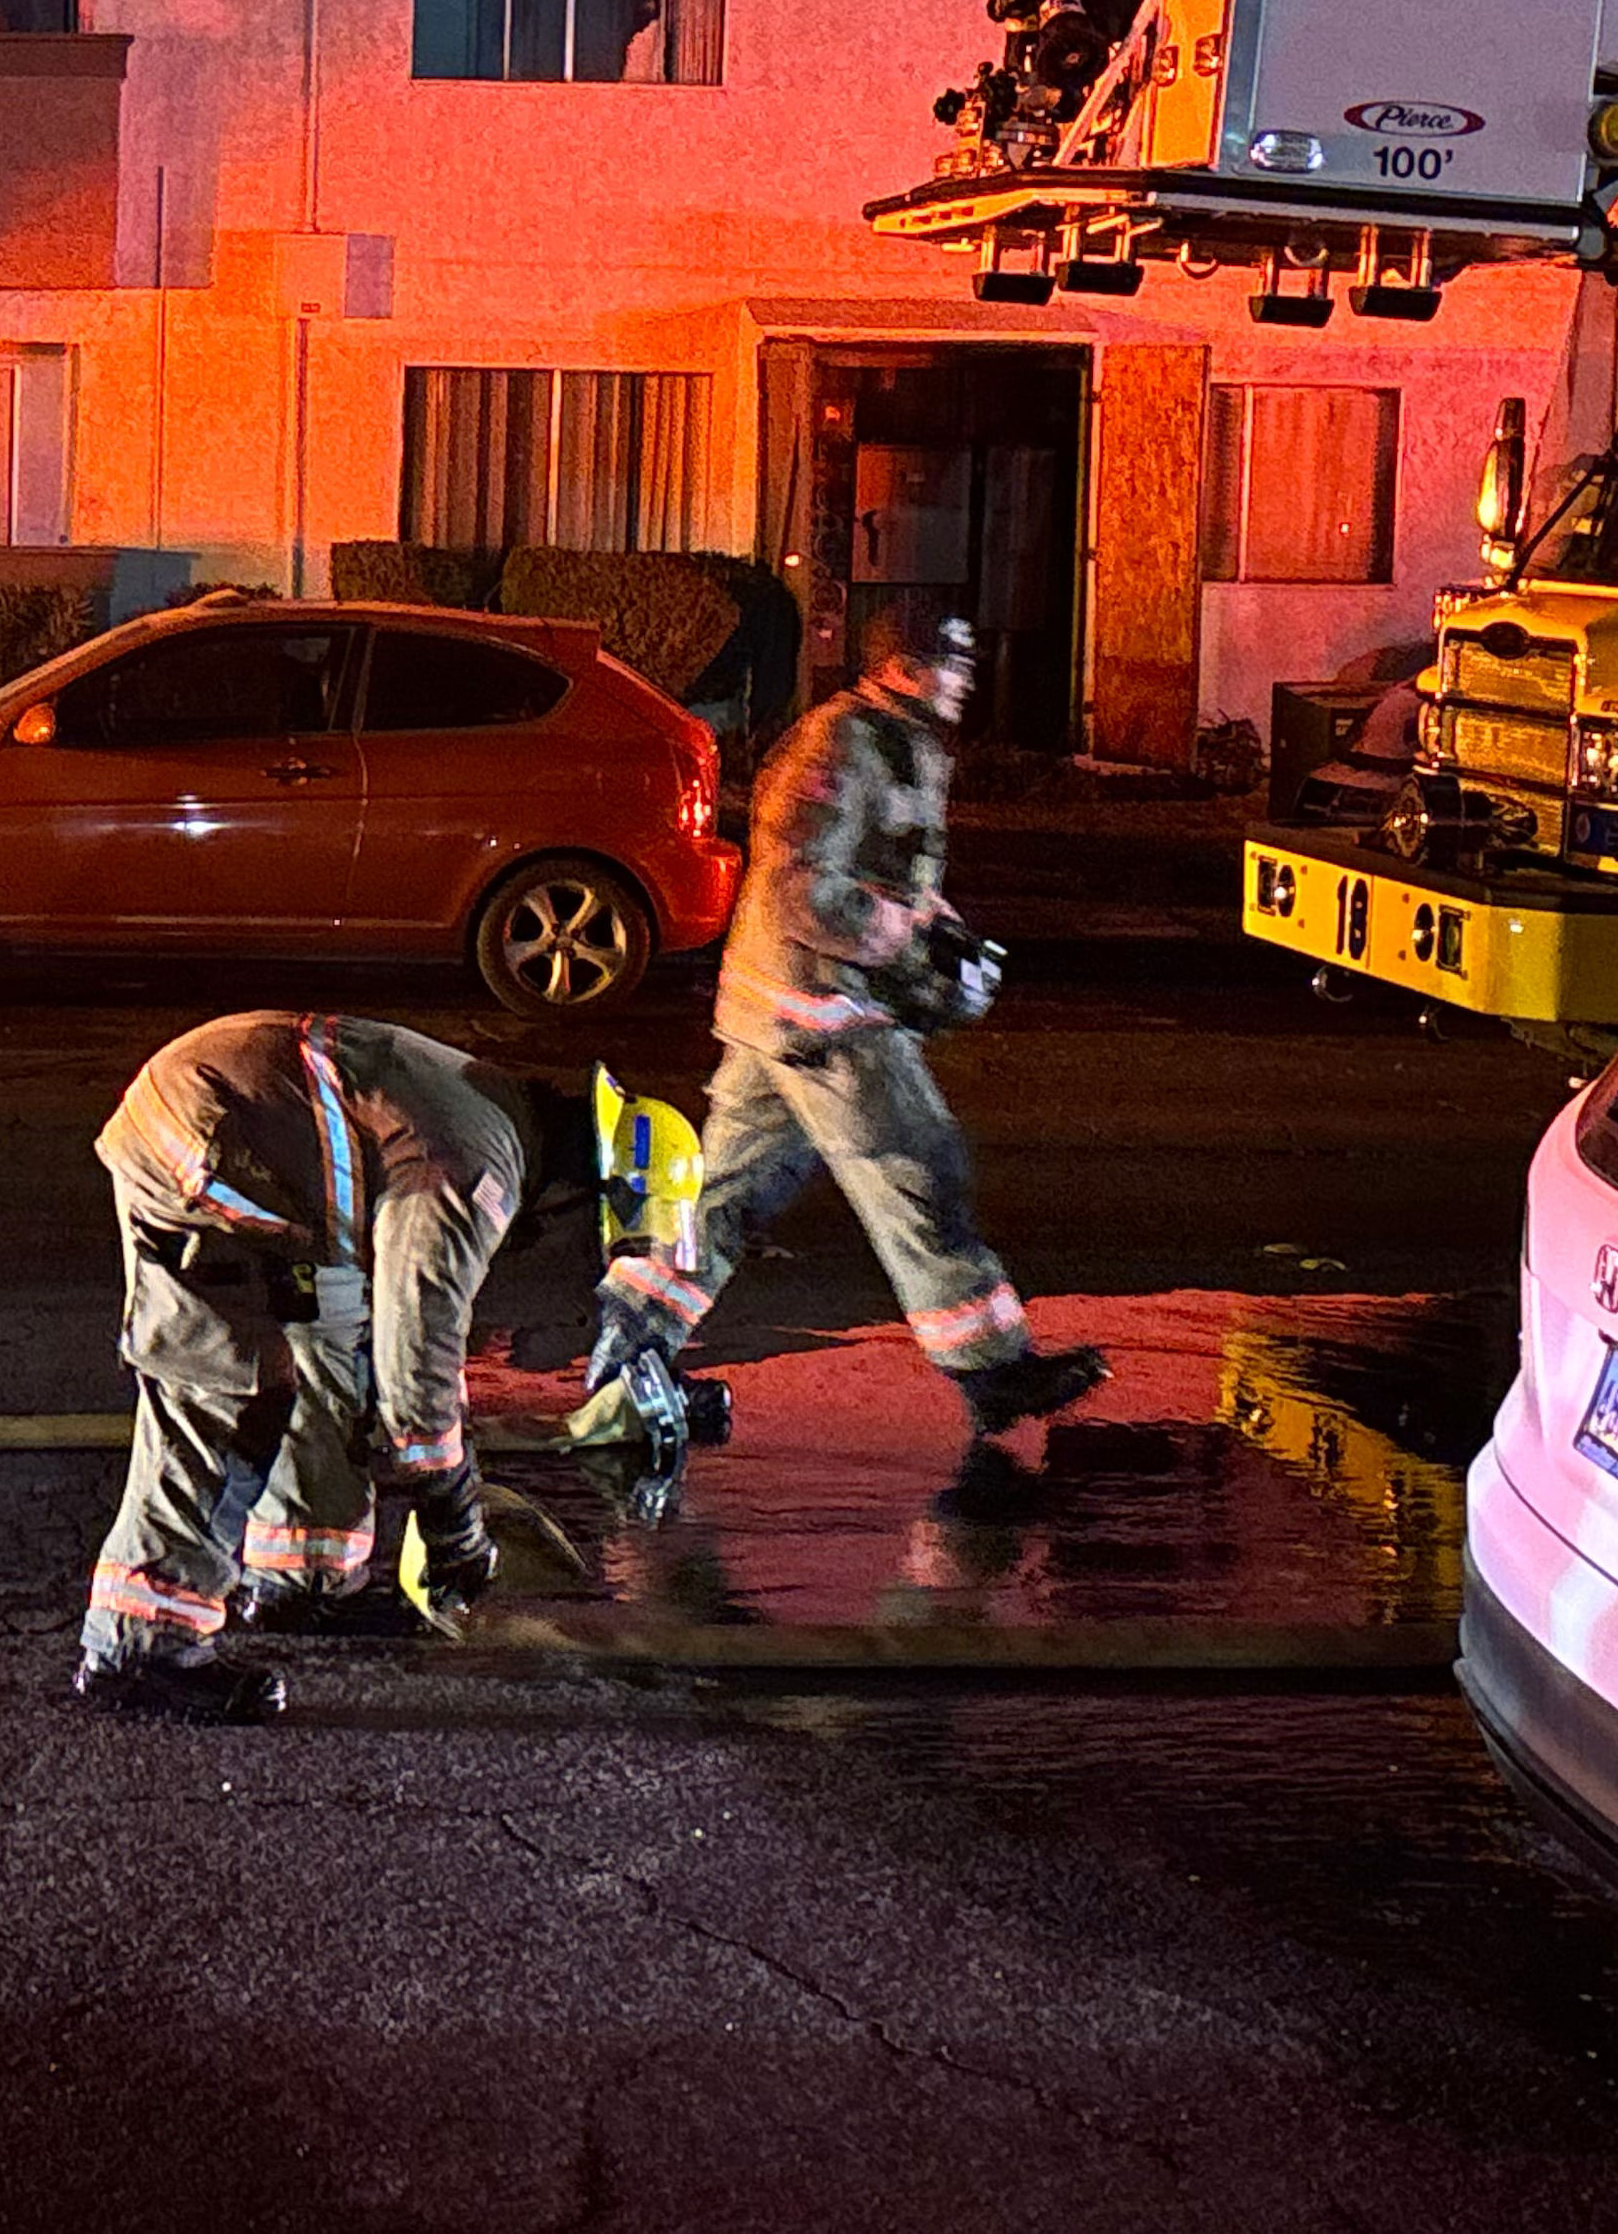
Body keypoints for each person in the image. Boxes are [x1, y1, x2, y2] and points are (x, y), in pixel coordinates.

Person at [588, 611, 1108, 1442]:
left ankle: (625, 1353)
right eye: (948, 663)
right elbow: (806, 890)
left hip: (789, 1017)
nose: (964, 678)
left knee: (721, 1202)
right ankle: (992, 1369)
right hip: (822, 1016)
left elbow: (897, 873)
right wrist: (908, 944)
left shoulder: (903, 743)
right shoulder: (837, 748)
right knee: (918, 1171)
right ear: (900, 667)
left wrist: (948, 939)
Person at [72, 1011, 636, 1722]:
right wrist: (451, 1521)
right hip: (202, 1148)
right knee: (230, 1390)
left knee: (334, 1347)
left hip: (251, 1146)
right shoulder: (474, 1171)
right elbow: (418, 1353)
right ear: (577, 1194)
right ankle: (138, 1649)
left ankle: (304, 1581)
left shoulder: (495, 1113)